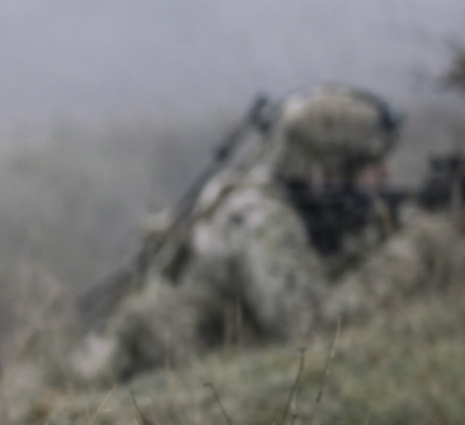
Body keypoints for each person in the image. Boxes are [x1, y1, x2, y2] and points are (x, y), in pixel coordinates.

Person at [68, 84, 404, 384]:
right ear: (326, 170)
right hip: (155, 383)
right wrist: (408, 254)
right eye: (373, 165)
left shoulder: (307, 207)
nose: (388, 173)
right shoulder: (258, 219)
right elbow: (311, 332)